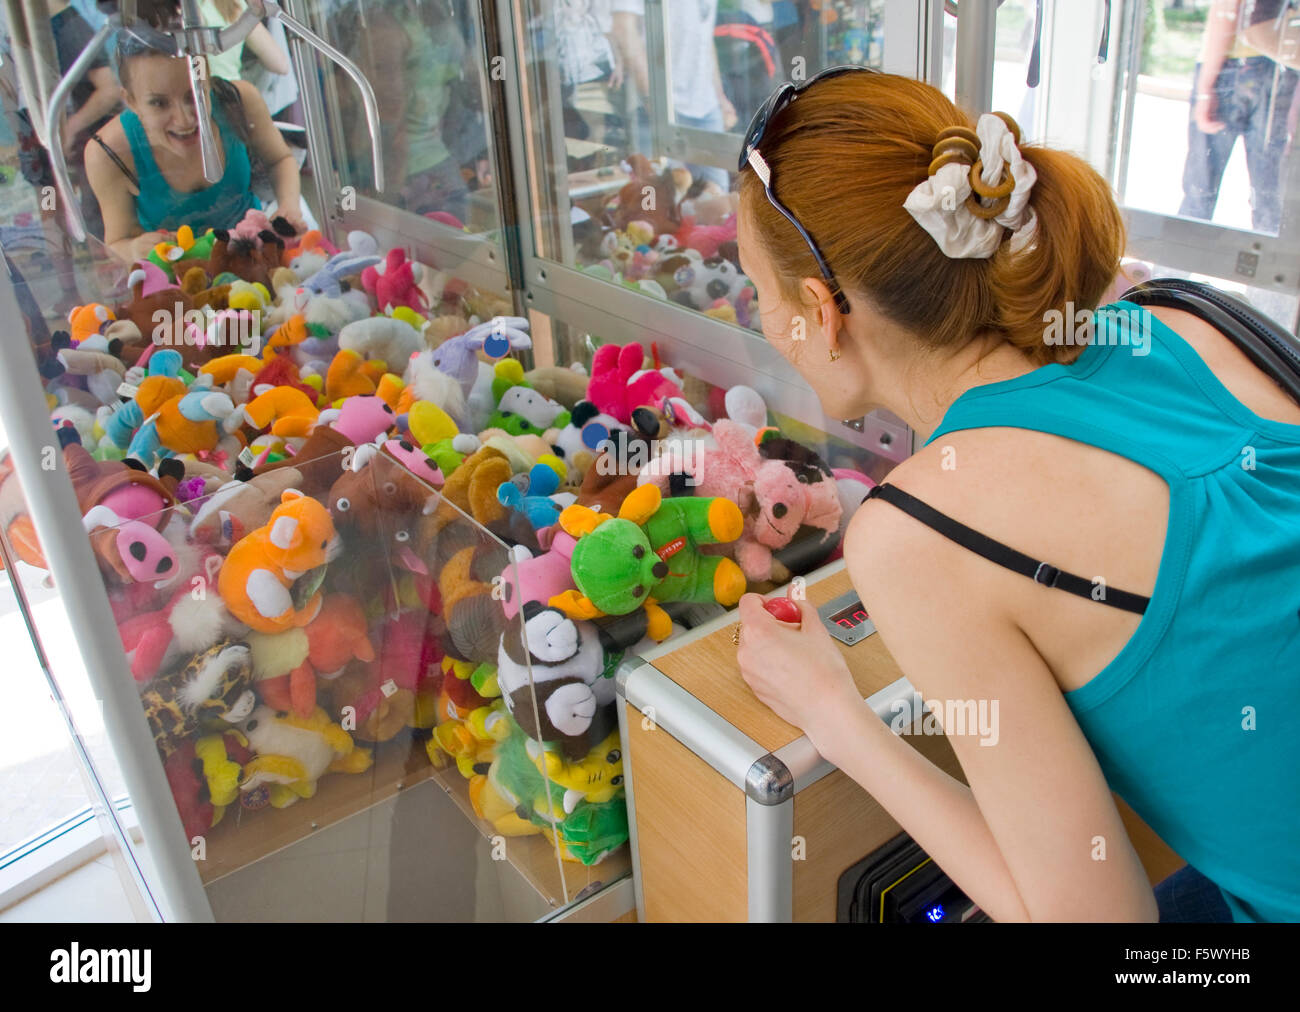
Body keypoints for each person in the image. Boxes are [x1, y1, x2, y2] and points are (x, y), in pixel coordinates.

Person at [732, 69, 1300, 922]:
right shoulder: (1188, 317)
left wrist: (834, 716)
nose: (761, 320)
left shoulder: (921, 530)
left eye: (760, 293)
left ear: (823, 308)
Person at [83, 22, 306, 263]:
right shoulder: (108, 153)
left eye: (195, 95)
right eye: (159, 103)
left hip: (252, 257)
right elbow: (117, 243)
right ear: (132, 101)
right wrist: (135, 248)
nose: (185, 119)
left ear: (208, 81)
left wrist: (289, 205)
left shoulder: (240, 103)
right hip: (178, 283)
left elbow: (280, 159)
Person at [1179, 0, 1300, 235]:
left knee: (1199, 192)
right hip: (1279, 69)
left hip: (1229, 69)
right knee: (1269, 199)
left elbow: (1227, 10)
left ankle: (1168, 270)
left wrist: (1206, 87)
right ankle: (1269, 270)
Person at [611, 0, 736, 191]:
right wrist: (652, 97)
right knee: (659, 199)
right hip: (658, 109)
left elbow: (703, 33)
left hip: (705, 104)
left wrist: (719, 97)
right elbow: (623, 27)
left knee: (716, 201)